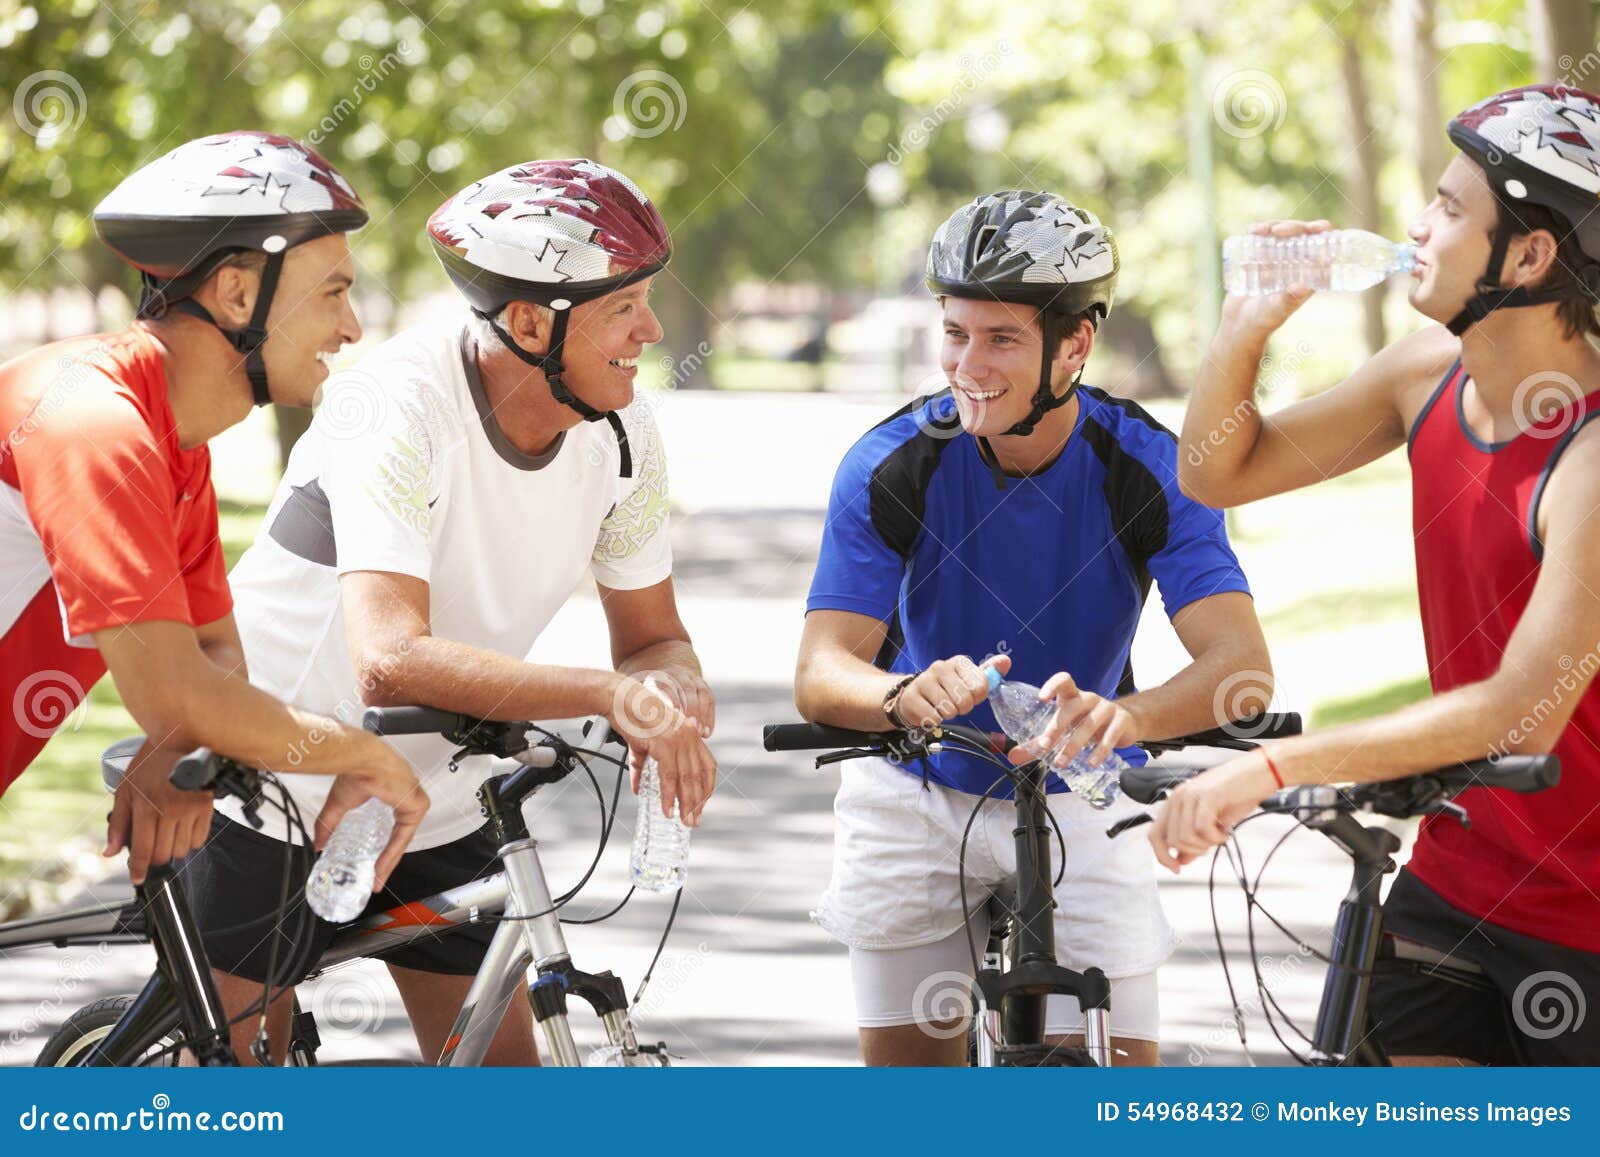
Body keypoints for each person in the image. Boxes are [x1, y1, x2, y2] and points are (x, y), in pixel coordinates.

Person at [186, 159, 718, 1065]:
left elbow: (653, 635)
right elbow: (387, 658)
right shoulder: (393, 403)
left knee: (500, 1083)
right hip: (279, 779)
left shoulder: (625, 432)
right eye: (622, 306)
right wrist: (609, 695)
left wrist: (670, 681)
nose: (652, 328)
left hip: (435, 788)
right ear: (526, 322)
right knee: (244, 1091)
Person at [1166, 84, 1600, 1065]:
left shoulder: (1589, 457)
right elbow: (1214, 469)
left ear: (1529, 256)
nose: (1417, 225)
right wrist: (1246, 327)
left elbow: (1520, 713)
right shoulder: (1423, 375)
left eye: (1450, 209)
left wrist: (1275, 763)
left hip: (1585, 915)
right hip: (1452, 883)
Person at [793, 190, 1275, 1065]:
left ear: (1075, 345)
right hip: (918, 784)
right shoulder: (888, 463)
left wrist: (1122, 718)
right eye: (955, 333)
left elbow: (1242, 667)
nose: (967, 364)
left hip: (1085, 789)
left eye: (1001, 338)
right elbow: (824, 671)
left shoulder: (1152, 465)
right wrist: (901, 693)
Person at [0, 131, 424, 888]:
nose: (352, 326)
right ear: (235, 293)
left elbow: (216, 662)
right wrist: (365, 755)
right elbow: (182, 693)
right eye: (333, 291)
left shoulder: (177, 449)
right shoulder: (91, 422)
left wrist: (182, 745)